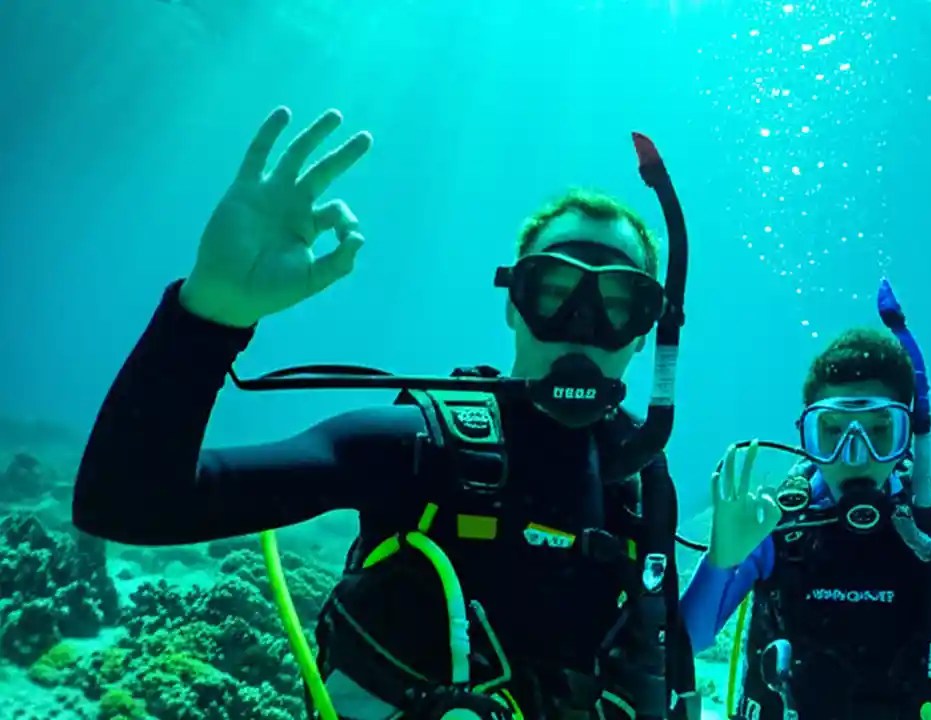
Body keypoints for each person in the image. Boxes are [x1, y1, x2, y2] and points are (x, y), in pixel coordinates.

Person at [72, 106, 700, 720]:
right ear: (514, 305)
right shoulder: (420, 446)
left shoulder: (641, 485)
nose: (582, 326)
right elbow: (126, 504)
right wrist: (209, 315)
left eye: (618, 303)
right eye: (554, 292)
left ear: (646, 330)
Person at [679, 279, 931, 720]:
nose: (855, 456)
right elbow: (686, 643)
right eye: (832, 431)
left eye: (880, 431)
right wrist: (721, 559)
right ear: (806, 437)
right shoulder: (774, 523)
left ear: (908, 437)